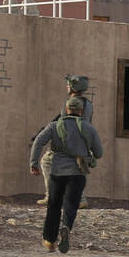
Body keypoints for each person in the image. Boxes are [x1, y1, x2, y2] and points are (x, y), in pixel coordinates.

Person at [30, 97, 102, 254]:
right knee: (71, 204)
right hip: (77, 173)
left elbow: (38, 142)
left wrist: (34, 163)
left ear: (66, 109)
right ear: (81, 111)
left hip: (57, 172)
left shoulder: (55, 126)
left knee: (54, 205)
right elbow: (99, 152)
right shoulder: (88, 128)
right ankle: (66, 227)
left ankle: (49, 240)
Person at [38, 75, 93, 208]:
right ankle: (80, 199)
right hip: (82, 139)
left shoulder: (71, 103)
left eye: (68, 85)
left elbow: (63, 122)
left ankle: (52, 195)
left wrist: (49, 133)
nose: (67, 87)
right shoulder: (87, 103)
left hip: (68, 140)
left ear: (74, 87)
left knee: (46, 162)